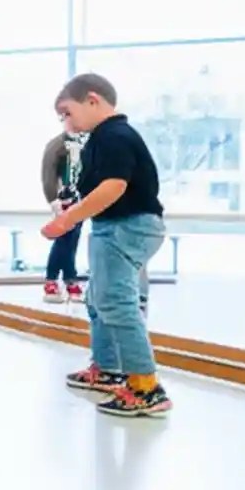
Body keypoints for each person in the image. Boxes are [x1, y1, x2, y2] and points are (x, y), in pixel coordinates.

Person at [44, 73, 170, 417]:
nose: (65, 122)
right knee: (99, 299)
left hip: (127, 226)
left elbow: (114, 187)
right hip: (112, 226)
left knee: (115, 300)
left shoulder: (115, 136)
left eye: (67, 112)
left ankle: (146, 387)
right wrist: (72, 206)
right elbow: (98, 187)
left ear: (92, 100)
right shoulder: (102, 138)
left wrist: (68, 220)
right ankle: (108, 368)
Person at [41, 131, 86, 303]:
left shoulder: (83, 142)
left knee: (72, 240)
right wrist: (53, 199)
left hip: (80, 199)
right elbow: (48, 173)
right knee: (63, 240)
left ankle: (68, 279)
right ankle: (52, 280)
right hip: (64, 199)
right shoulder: (58, 144)